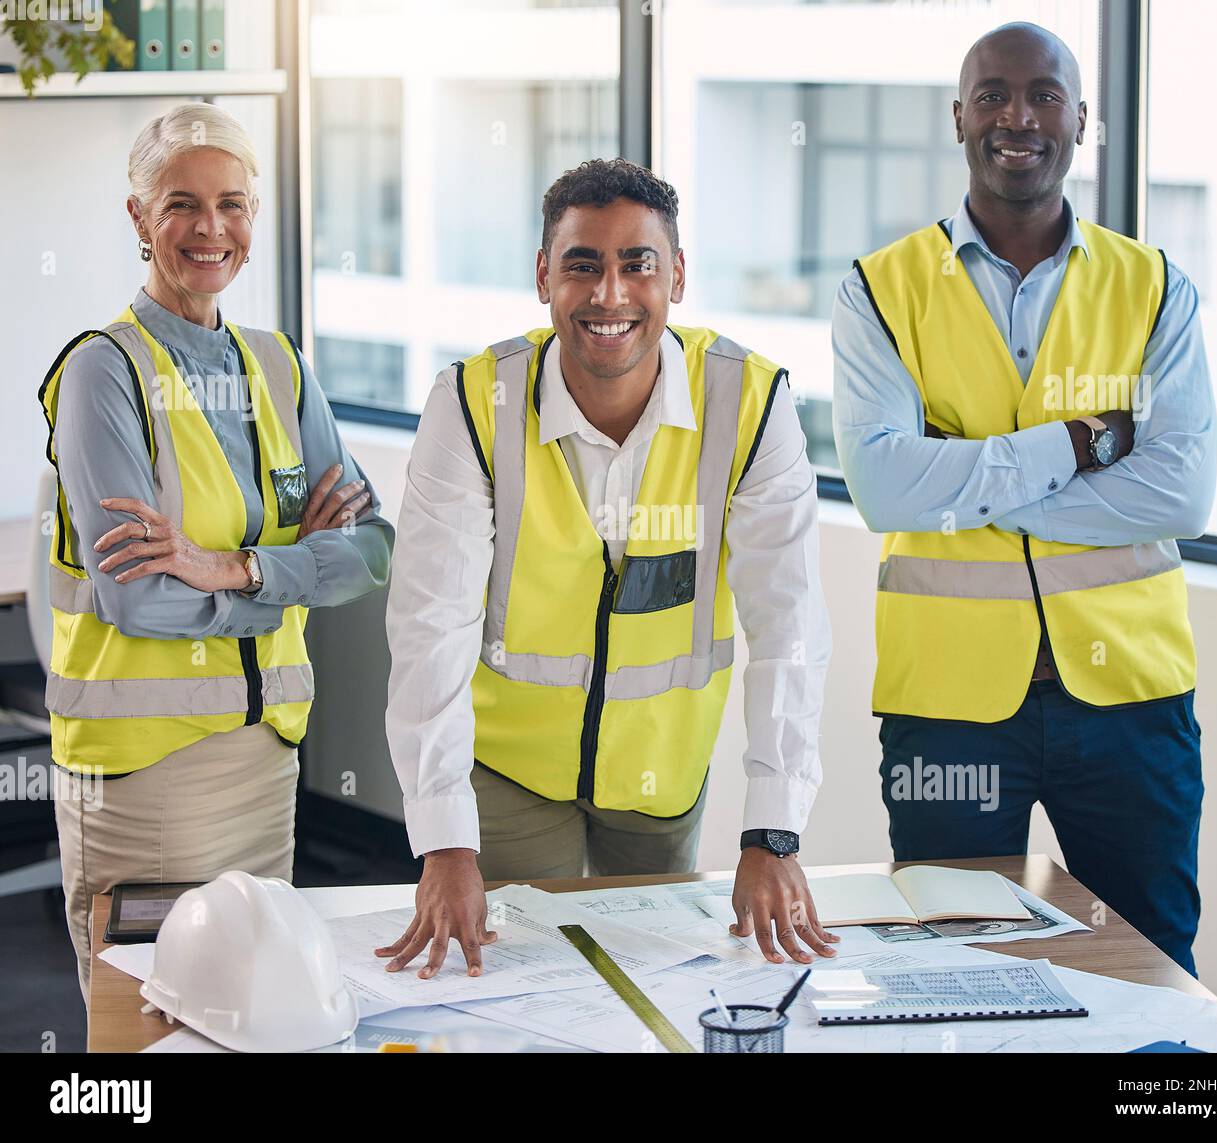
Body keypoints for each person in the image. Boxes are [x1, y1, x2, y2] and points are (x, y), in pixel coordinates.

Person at [380, 158, 838, 977]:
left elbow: (790, 626)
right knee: (514, 995)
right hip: (510, 778)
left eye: (640, 264)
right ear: (543, 277)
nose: (610, 294)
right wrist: (444, 839)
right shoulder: (472, 403)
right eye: (582, 264)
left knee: (652, 991)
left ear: (679, 276)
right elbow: (429, 627)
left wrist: (773, 830)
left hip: (661, 781)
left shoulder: (752, 403)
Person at [832, 23, 1216, 975]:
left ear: (1081, 118)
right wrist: (1079, 446)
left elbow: (1183, 487)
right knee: (957, 973)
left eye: (1045, 94)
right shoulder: (878, 291)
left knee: (1154, 966)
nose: (1019, 116)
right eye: (994, 94)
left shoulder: (1155, 287)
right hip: (949, 706)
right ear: (958, 116)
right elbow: (882, 485)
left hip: (1130, 701)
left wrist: (965, 484)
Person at [41, 104, 393, 1000]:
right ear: (137, 218)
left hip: (267, 757)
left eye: (232, 203)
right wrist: (298, 571)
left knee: (256, 1011)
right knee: (153, 1025)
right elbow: (139, 601)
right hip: (146, 778)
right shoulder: (103, 372)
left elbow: (374, 550)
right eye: (181, 204)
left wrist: (233, 567)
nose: (211, 228)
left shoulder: (280, 366)